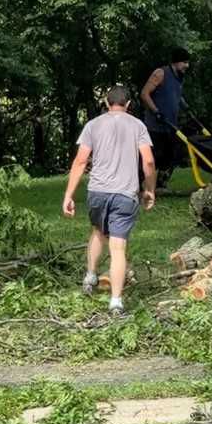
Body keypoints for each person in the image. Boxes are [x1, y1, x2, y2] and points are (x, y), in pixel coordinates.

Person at [63, 85, 156, 314]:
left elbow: (81, 161)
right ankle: (116, 302)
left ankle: (90, 277)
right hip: (125, 194)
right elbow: (149, 162)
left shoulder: (92, 125)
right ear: (129, 105)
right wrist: (150, 189)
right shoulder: (138, 126)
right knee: (118, 247)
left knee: (97, 231)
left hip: (98, 192)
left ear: (106, 103)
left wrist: (69, 195)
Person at [140, 47, 191, 188]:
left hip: (170, 125)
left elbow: (176, 95)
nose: (187, 66)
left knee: (173, 155)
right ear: (176, 62)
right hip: (155, 125)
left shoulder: (179, 77)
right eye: (184, 62)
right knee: (151, 157)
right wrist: (156, 111)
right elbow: (144, 93)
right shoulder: (161, 73)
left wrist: (187, 109)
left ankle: (160, 183)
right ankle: (136, 185)